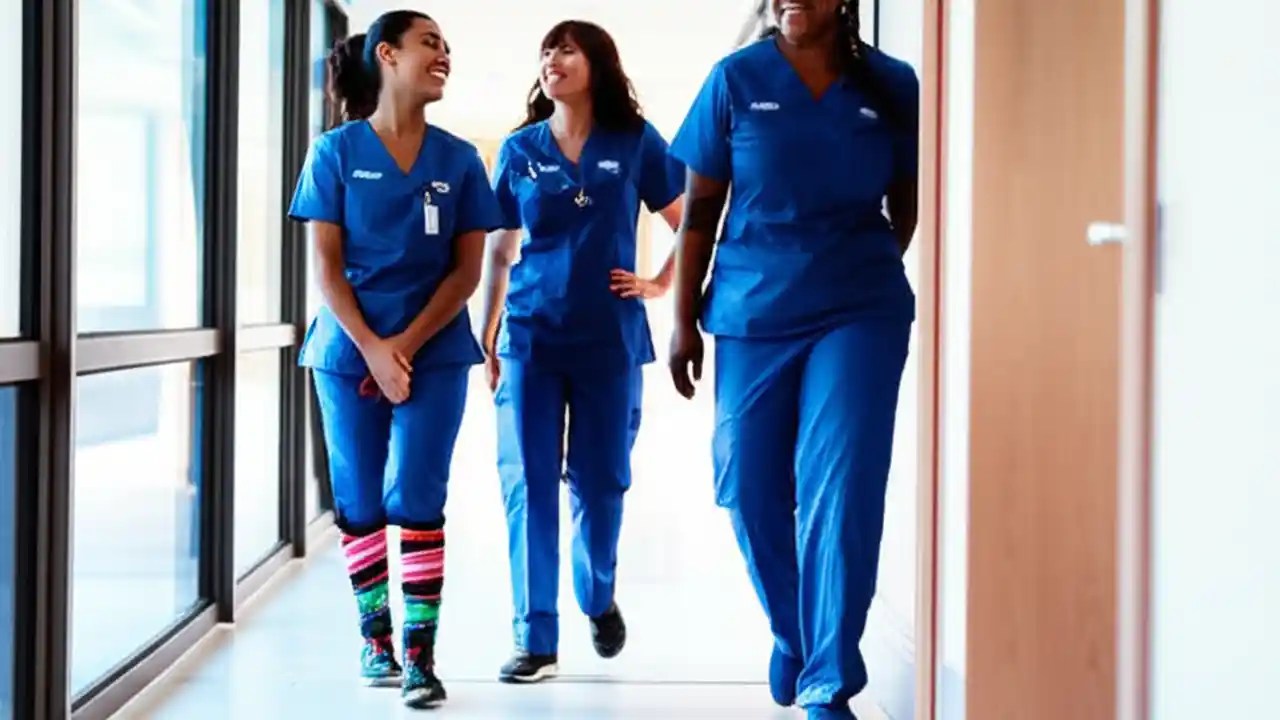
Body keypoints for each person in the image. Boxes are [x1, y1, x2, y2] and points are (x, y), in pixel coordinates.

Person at [666, 0, 920, 718]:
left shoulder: (892, 84)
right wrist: (681, 321)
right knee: (747, 485)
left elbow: (905, 202)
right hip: (752, 309)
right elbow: (700, 212)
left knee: (841, 486)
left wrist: (855, 270)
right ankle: (797, 633)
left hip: (857, 310)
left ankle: (826, 682)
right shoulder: (735, 79)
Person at [288, 10, 504, 709]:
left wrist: (402, 349)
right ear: (387, 54)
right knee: (357, 497)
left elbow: (466, 273)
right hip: (346, 350)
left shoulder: (460, 160)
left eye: (447, 46)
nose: (444, 55)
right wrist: (373, 349)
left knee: (416, 492)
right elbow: (326, 270)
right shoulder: (334, 153)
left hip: (433, 350)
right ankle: (374, 640)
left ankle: (419, 657)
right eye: (429, 43)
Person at [479, 19, 685, 684]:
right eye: (546, 50)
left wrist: (659, 284)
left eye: (566, 49)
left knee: (600, 484)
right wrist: (487, 329)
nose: (552, 60)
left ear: (598, 63)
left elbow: (693, 221)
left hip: (608, 339)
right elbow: (499, 247)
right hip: (530, 336)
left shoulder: (635, 142)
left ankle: (597, 595)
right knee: (528, 483)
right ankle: (534, 636)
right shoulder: (520, 149)